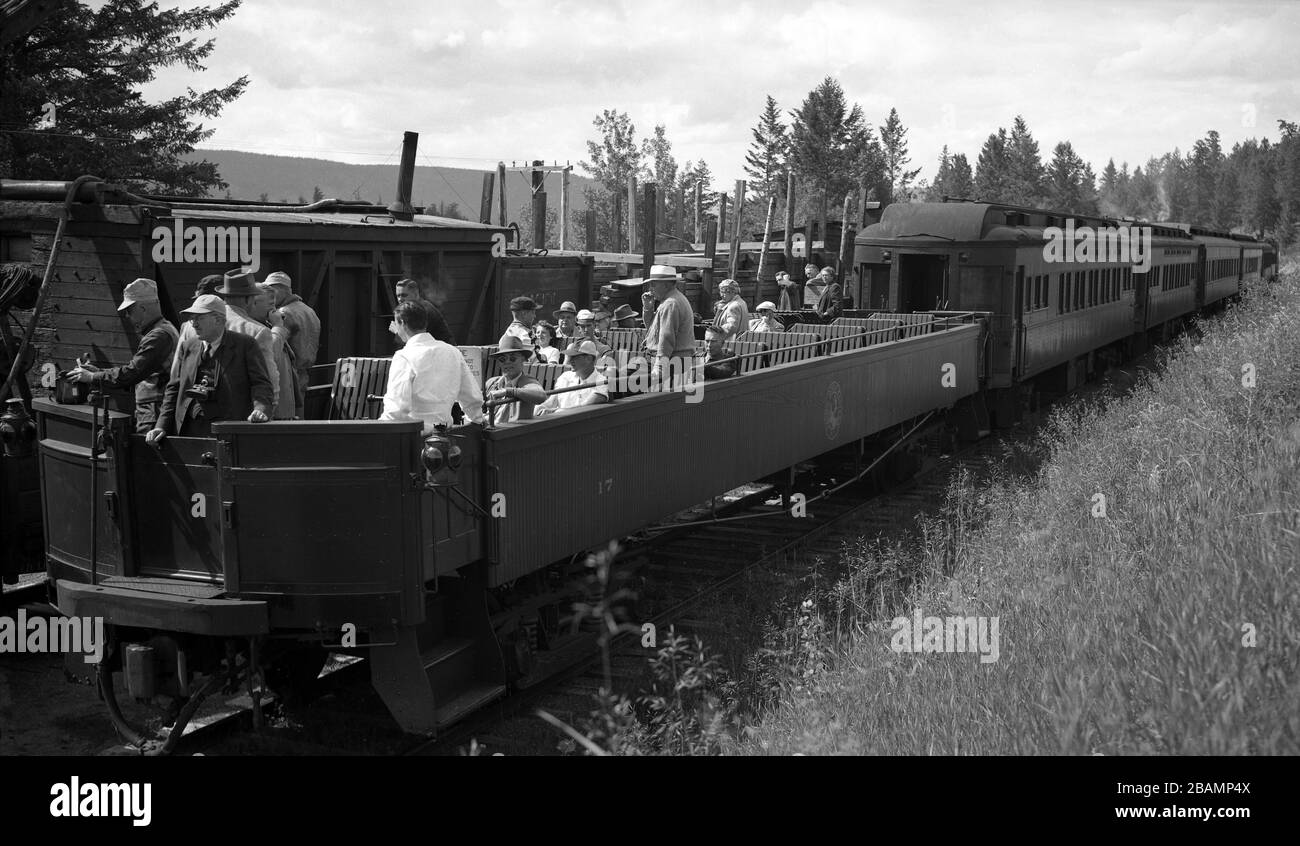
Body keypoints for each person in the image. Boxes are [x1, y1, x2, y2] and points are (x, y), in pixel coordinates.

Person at [146, 295, 272, 443]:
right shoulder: (188, 346)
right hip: (189, 429)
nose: (194, 324)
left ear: (218, 320)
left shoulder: (245, 345)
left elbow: (261, 384)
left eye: (199, 318)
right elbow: (174, 388)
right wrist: (161, 426)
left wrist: (260, 409)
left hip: (228, 430)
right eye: (192, 319)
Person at [62, 278, 178, 433]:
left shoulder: (158, 336)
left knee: (149, 456)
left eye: (129, 311)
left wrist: (92, 377)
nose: (127, 316)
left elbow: (132, 373)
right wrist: (97, 372)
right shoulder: (165, 329)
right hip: (155, 410)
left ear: (142, 308)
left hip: (154, 412)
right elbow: (139, 373)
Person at [379, 301, 485, 432]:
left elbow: (395, 410)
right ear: (425, 322)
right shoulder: (452, 352)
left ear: (402, 323)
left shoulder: (404, 357)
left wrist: (379, 432)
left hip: (415, 438)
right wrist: (475, 422)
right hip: (446, 435)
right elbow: (472, 397)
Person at [209, 269, 283, 416]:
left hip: (199, 414)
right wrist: (267, 410)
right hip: (241, 414)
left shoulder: (193, 326)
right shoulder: (258, 331)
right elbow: (268, 378)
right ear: (248, 299)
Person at [263, 271, 319, 417]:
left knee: (286, 417)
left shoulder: (283, 313)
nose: (269, 297)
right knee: (299, 417)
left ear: (281, 290)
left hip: (289, 375)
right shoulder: (309, 311)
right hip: (304, 372)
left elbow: (278, 344)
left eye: (272, 291)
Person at [640, 265, 695, 389]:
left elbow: (666, 337)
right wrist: (648, 309)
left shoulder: (670, 303)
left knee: (624, 382)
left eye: (654, 284)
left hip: (671, 361)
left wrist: (659, 368)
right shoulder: (670, 301)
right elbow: (653, 330)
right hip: (673, 361)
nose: (650, 288)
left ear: (666, 285)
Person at [255, 282, 297, 419]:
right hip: (272, 411)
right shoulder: (258, 329)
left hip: (284, 409)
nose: (275, 310)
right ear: (253, 303)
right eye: (270, 305)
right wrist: (278, 326)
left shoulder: (267, 324)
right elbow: (272, 355)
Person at [484, 336, 548, 424]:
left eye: (512, 358)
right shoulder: (492, 383)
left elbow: (541, 396)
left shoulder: (527, 381)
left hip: (510, 433)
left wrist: (508, 391)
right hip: (488, 431)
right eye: (502, 359)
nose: (507, 362)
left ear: (523, 360)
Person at [537, 340, 608, 414]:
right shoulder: (565, 376)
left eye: (575, 357)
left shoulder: (601, 381)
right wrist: (541, 407)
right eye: (570, 357)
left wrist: (556, 411)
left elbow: (583, 408)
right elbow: (552, 402)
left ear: (589, 359)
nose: (570, 361)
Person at [395, 278, 453, 343]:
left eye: (404, 295)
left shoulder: (423, 310)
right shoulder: (416, 309)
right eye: (398, 296)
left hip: (441, 350)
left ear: (415, 294)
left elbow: (415, 341)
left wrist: (397, 331)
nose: (400, 299)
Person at [711, 278, 750, 347]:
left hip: (731, 345)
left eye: (723, 292)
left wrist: (715, 332)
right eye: (721, 292)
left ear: (732, 292)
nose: (721, 295)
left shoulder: (733, 306)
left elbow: (731, 326)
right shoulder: (742, 302)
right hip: (742, 343)